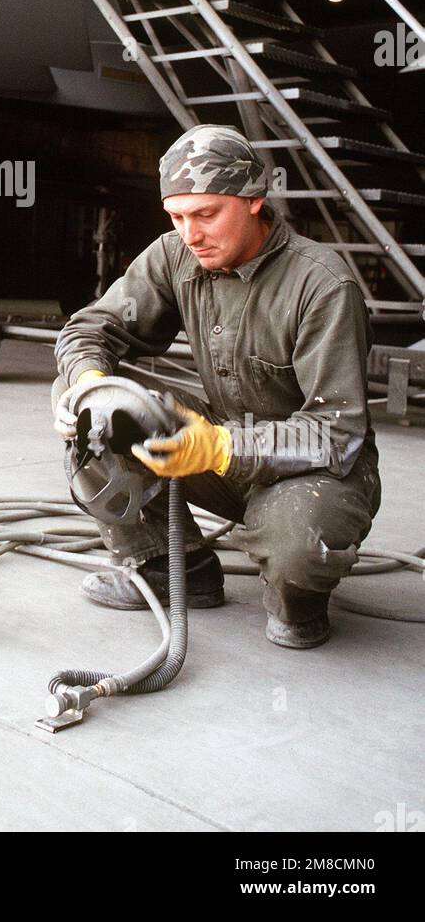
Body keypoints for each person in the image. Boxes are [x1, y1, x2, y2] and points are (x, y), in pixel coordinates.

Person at [53, 124, 381, 649]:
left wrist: (221, 446)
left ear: (254, 201)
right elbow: (89, 330)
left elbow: (335, 432)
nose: (191, 233)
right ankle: (176, 567)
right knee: (99, 407)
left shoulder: (322, 285)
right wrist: (91, 386)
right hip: (219, 449)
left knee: (298, 551)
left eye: (206, 214)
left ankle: (298, 598)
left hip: (314, 470)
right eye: (177, 217)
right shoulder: (175, 255)